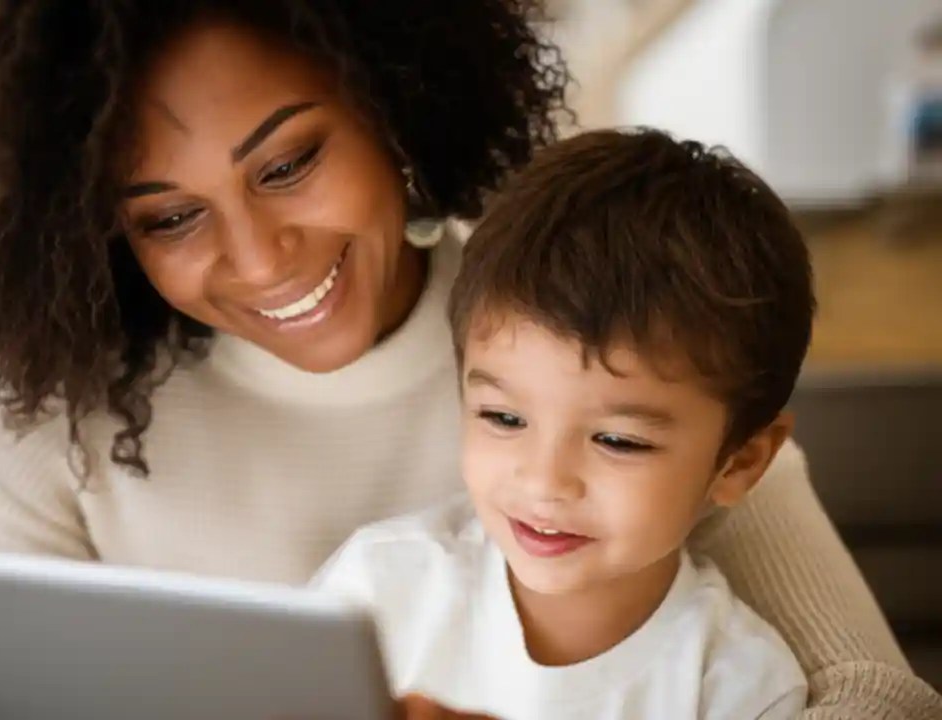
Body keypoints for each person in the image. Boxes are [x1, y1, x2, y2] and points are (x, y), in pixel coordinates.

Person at [0, 1, 941, 719]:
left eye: (286, 163)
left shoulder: (588, 328)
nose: (258, 256)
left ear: (387, 100)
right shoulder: (47, 417)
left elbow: (874, 696)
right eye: (167, 216)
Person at [313, 128, 812, 719]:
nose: (545, 481)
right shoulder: (377, 593)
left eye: (617, 441)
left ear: (741, 462)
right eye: (503, 417)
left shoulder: (740, 688)